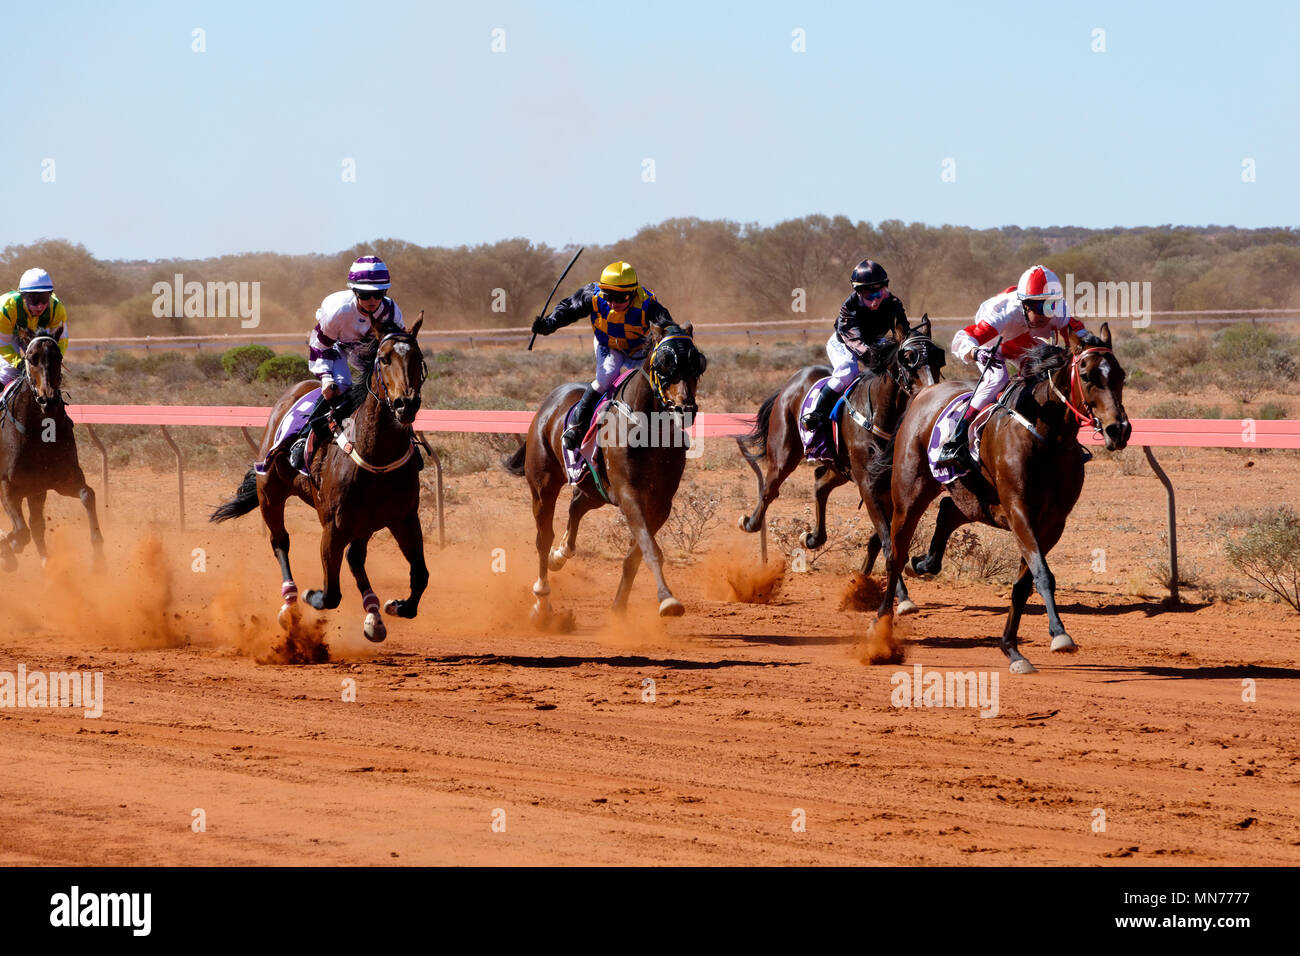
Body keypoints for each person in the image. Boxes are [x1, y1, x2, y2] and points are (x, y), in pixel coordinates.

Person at [937, 264, 1104, 465]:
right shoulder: (1004, 313)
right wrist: (975, 351)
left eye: (1053, 305)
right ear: (1026, 305)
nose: (1049, 315)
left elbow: (1079, 338)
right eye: (1043, 308)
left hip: (1028, 347)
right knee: (998, 378)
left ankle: (1063, 441)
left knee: (1050, 378)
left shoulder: (1057, 311)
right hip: (995, 347)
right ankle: (956, 436)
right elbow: (963, 337)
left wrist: (1094, 345)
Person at [530, 260, 677, 449]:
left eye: (620, 298)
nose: (613, 303)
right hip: (609, 344)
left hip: (639, 350)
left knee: (649, 385)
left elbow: (668, 328)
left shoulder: (648, 304)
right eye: (608, 295)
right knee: (605, 377)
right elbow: (568, 309)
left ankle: (671, 432)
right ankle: (576, 426)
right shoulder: (593, 295)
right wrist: (549, 324)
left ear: (633, 293)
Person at [288, 255, 406, 473]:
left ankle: (409, 446)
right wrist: (326, 378)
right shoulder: (338, 312)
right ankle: (304, 438)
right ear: (354, 291)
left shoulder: (391, 311)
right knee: (340, 386)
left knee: (391, 392)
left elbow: (398, 350)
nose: (372, 300)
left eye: (379, 294)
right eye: (365, 294)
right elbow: (319, 347)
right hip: (336, 348)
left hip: (370, 352)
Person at [800, 259, 908, 433]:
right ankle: (817, 414)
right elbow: (856, 342)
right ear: (859, 293)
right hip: (844, 342)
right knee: (847, 372)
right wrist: (876, 358)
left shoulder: (894, 303)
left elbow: (903, 332)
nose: (875, 301)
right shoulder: (848, 308)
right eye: (869, 296)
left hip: (873, 341)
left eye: (879, 294)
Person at [0, 268, 68, 396]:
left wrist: (54, 359)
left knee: (45, 367)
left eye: (44, 299)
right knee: (8, 371)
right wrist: (18, 363)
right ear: (23, 297)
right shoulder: (5, 308)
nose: (40, 306)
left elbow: (61, 342)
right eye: (34, 300)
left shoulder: (57, 308)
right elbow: (3, 344)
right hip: (7, 335)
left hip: (36, 335)